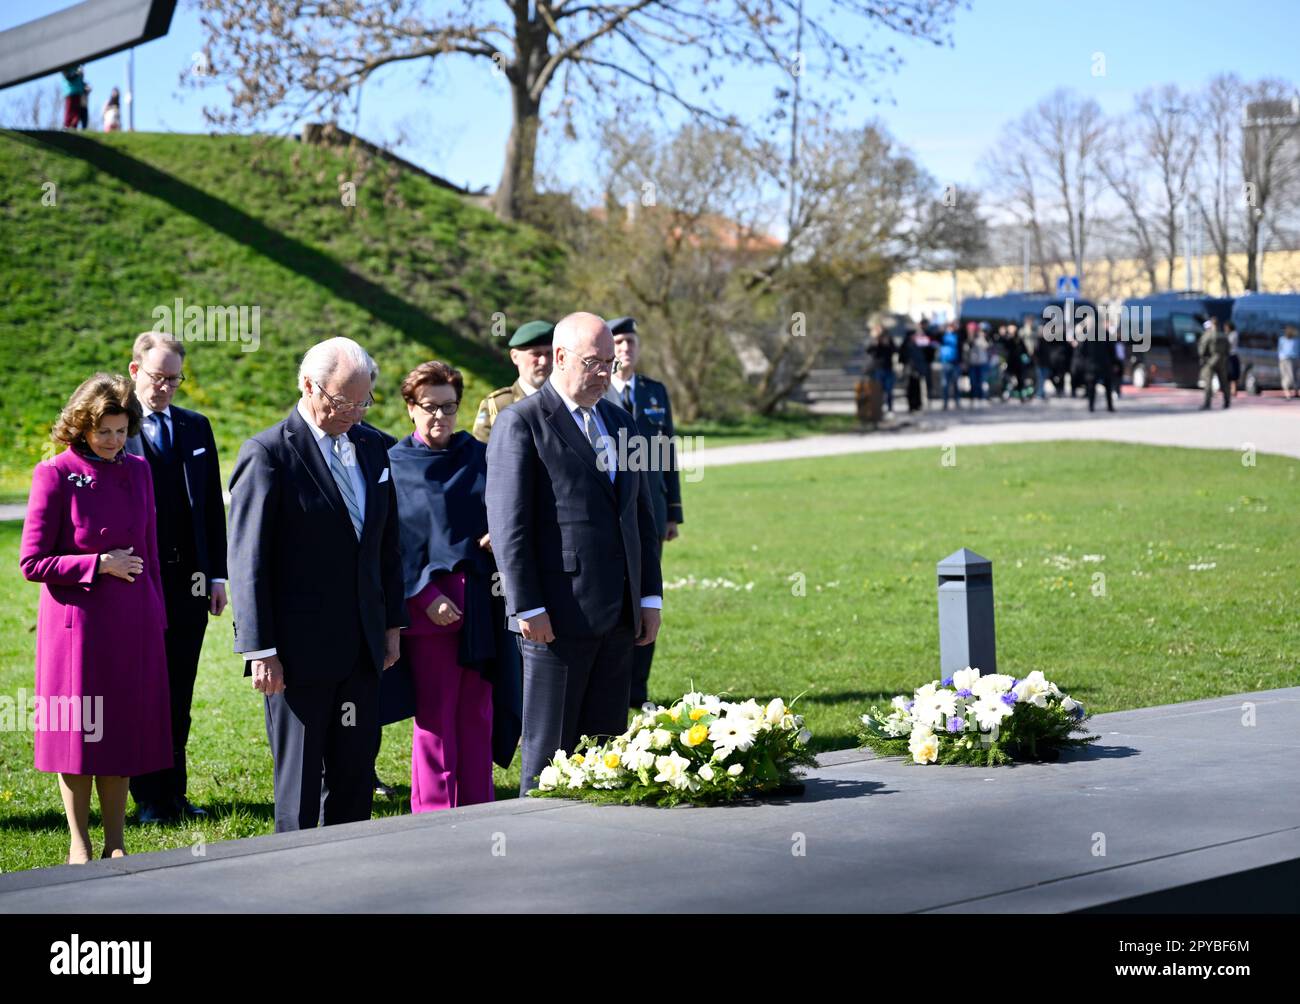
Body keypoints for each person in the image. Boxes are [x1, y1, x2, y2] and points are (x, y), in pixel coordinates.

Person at [227, 337, 407, 832]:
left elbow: (387, 545)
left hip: (363, 648)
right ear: (308, 386)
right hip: (298, 655)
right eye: (343, 401)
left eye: (364, 400)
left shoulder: (376, 447)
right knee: (301, 784)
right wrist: (260, 649)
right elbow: (249, 560)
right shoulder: (267, 454)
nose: (354, 412)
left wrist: (392, 624)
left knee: (354, 778)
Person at [486, 312, 663, 793]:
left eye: (609, 362)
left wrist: (649, 597)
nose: (605, 373)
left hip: (619, 619)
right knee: (549, 759)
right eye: (593, 362)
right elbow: (509, 526)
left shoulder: (621, 421)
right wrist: (528, 606)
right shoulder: (520, 422)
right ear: (560, 358)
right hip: (555, 620)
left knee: (607, 757)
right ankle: (535, 858)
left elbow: (641, 516)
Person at [20, 374, 172, 863]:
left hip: (133, 623)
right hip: (77, 630)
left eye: (121, 431)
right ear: (81, 426)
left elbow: (147, 549)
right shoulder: (55, 473)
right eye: (103, 431)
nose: (113, 441)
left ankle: (117, 842)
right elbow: (32, 563)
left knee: (121, 734)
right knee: (80, 737)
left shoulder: (140, 471)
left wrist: (156, 616)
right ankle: (79, 844)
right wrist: (97, 564)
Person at [387, 361, 518, 811]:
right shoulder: (395, 465)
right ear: (410, 408)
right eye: (430, 407)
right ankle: (436, 818)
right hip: (428, 614)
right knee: (437, 722)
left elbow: (507, 511)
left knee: (478, 716)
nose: (440, 416)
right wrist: (424, 597)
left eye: (449, 407)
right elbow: (392, 544)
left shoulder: (478, 456)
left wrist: (498, 533)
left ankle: (480, 811)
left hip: (482, 606)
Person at [123, 333, 228, 823]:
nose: (164, 387)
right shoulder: (114, 428)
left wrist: (218, 575)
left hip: (189, 582)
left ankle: (175, 794)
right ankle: (147, 798)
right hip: (136, 580)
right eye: (155, 376)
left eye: (173, 379)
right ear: (134, 371)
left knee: (178, 691)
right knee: (144, 690)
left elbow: (210, 507)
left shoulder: (195, 427)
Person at [604, 316, 684, 708]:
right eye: (618, 342)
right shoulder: (597, 393)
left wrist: (673, 511)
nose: (625, 349)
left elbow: (667, 451)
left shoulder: (655, 392)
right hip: (614, 514)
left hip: (650, 511)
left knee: (647, 597)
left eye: (630, 342)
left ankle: (639, 689)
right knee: (616, 597)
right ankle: (613, 686)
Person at [471, 320, 554, 443]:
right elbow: (482, 453)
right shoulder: (498, 405)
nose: (544, 361)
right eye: (536, 354)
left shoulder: (569, 400)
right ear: (515, 357)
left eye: (549, 353)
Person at [1198, 318, 1231, 410]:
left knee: (1208, 383)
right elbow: (1228, 349)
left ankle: (1207, 403)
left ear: (1212, 325)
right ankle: (1227, 401)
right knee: (1224, 382)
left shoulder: (1208, 335)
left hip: (1211, 361)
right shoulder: (1224, 336)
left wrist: (1204, 358)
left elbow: (1202, 350)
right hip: (1222, 361)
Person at [868, 324, 897, 413]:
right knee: (878, 390)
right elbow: (869, 351)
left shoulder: (889, 340)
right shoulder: (875, 341)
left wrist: (888, 344)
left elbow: (895, 350)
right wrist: (876, 344)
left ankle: (890, 408)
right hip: (878, 368)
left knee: (889, 390)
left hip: (888, 368)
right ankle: (878, 408)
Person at [939, 323, 962, 409]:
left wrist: (961, 361)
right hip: (946, 363)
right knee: (945, 384)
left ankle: (957, 402)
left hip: (955, 363)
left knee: (955, 384)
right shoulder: (943, 336)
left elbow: (960, 349)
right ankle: (945, 403)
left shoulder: (958, 336)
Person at [967, 325, 991, 404]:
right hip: (973, 364)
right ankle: (973, 398)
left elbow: (986, 346)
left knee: (981, 381)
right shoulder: (970, 339)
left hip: (981, 363)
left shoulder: (981, 339)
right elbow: (967, 349)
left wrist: (982, 338)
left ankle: (981, 398)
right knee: (973, 382)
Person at [1278, 324, 1300, 400]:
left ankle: (1295, 391)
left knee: (1295, 376)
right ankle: (1287, 393)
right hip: (1285, 360)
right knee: (1288, 377)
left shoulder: (1296, 340)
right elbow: (1280, 350)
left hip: (1295, 359)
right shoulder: (1282, 339)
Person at [1225, 320, 1241, 399]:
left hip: (1232, 355)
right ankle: (1230, 390)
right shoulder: (1229, 334)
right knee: (1229, 374)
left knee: (1233, 374)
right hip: (1228, 356)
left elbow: (1229, 344)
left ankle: (1233, 391)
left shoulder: (1234, 334)